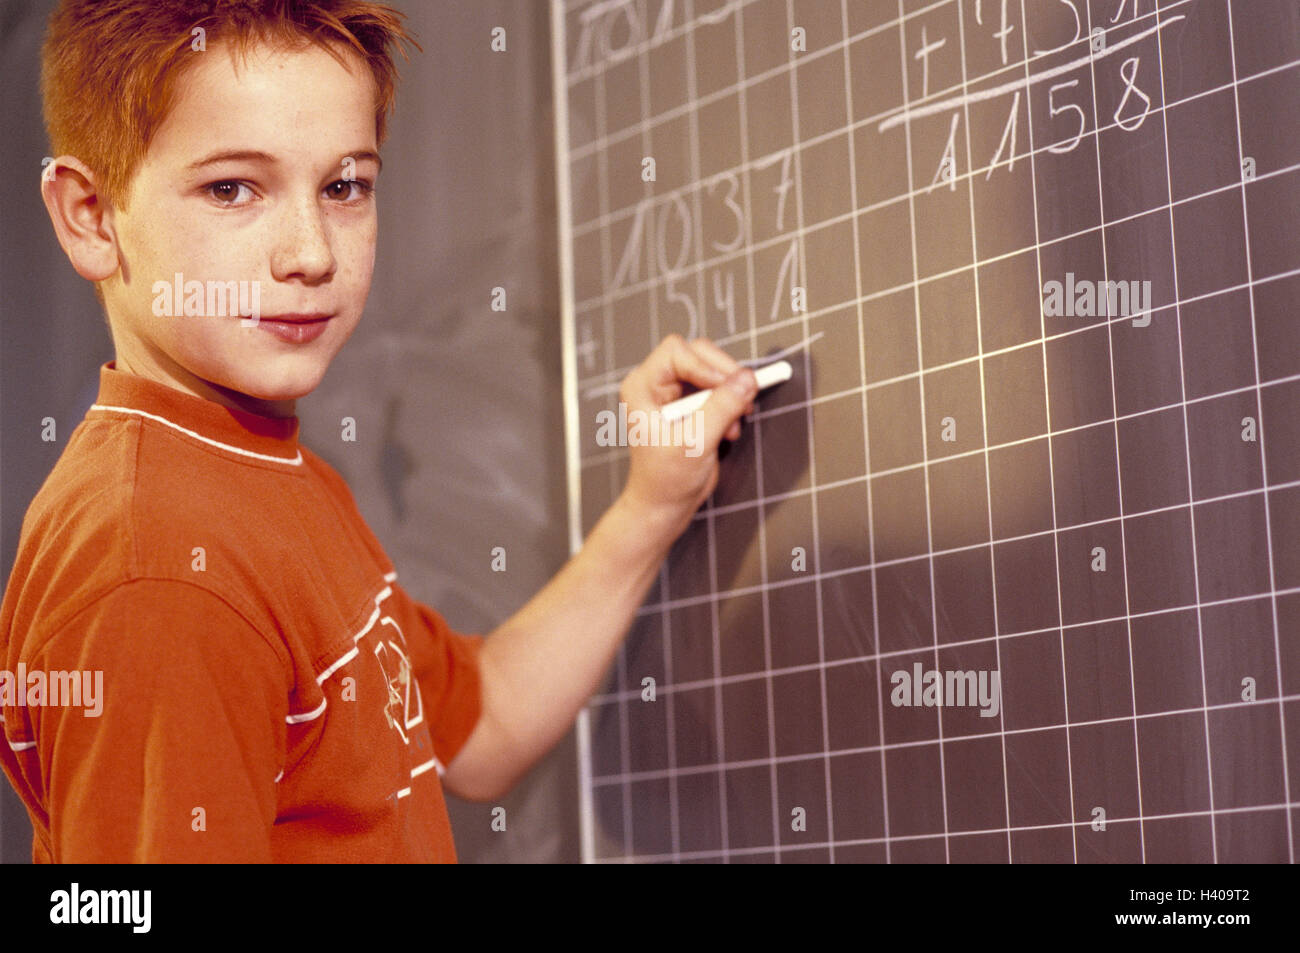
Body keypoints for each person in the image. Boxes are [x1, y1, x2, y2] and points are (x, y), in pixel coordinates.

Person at [0, 0, 757, 862]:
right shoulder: (158, 571)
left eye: (343, 186)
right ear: (90, 216)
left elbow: (485, 725)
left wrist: (653, 505)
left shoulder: (269, 475)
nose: (311, 252)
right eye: (231, 188)